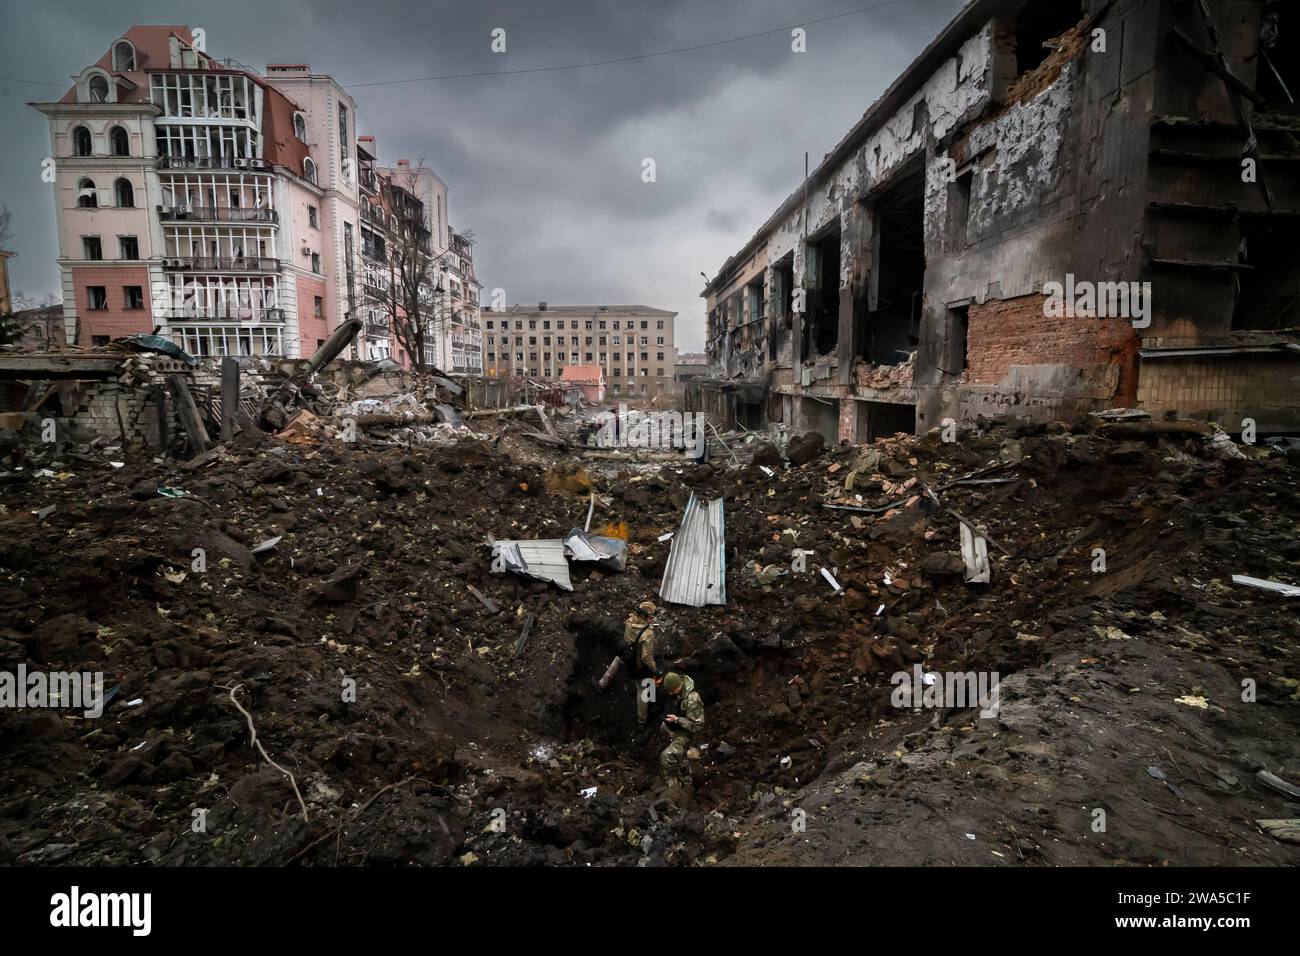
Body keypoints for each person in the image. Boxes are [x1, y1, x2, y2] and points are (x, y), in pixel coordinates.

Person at [594, 601, 660, 727]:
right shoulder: (648, 634)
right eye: (650, 617)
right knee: (643, 688)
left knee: (618, 660)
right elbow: (646, 657)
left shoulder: (630, 620)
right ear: (643, 616)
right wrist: (654, 669)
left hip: (625, 653)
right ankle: (642, 720)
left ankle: (602, 684)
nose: (653, 619)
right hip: (638, 663)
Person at [658, 671, 704, 790]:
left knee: (665, 757)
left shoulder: (692, 699)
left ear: (678, 686)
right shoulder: (676, 690)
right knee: (663, 727)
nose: (670, 694)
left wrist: (678, 720)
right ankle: (680, 761)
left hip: (687, 734)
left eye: (672, 691)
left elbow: (698, 726)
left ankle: (675, 788)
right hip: (675, 728)